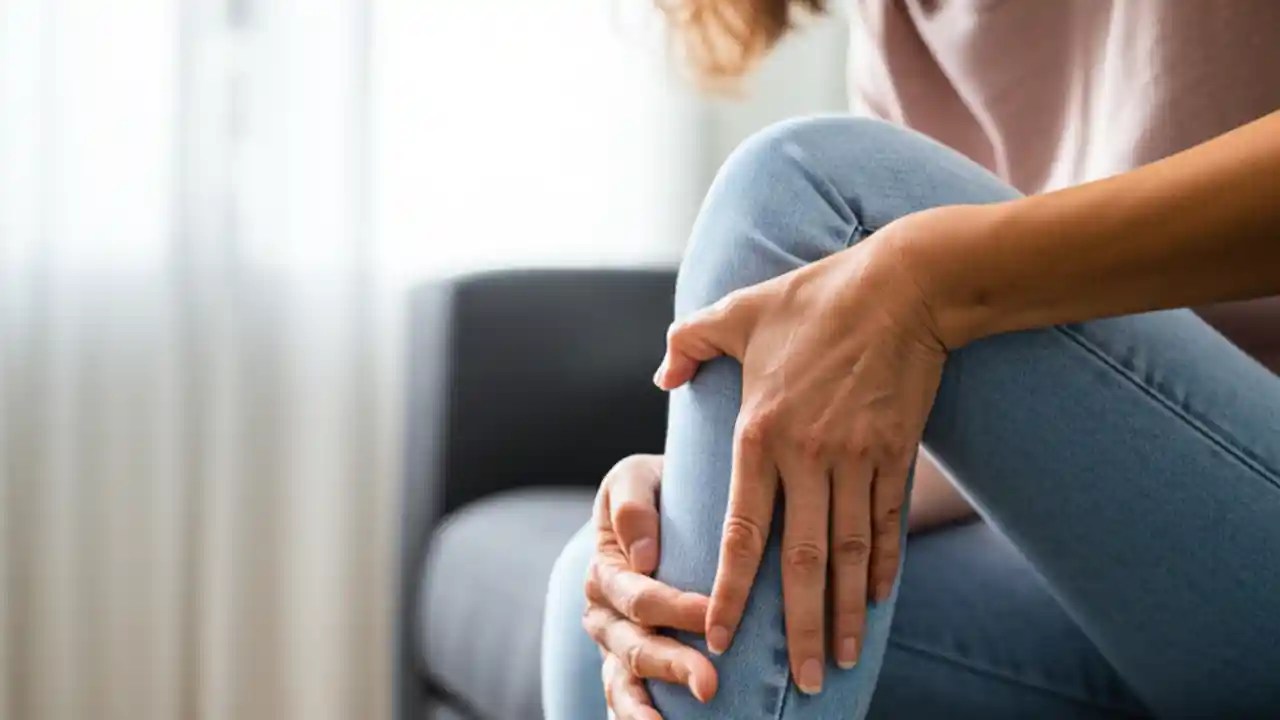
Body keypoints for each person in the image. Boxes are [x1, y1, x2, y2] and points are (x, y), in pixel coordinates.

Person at [542, 1, 1280, 718]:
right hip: (1135, 586)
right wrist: (731, 474)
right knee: (638, 606)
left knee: (796, 191)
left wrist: (938, 279)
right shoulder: (901, 28)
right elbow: (960, 405)